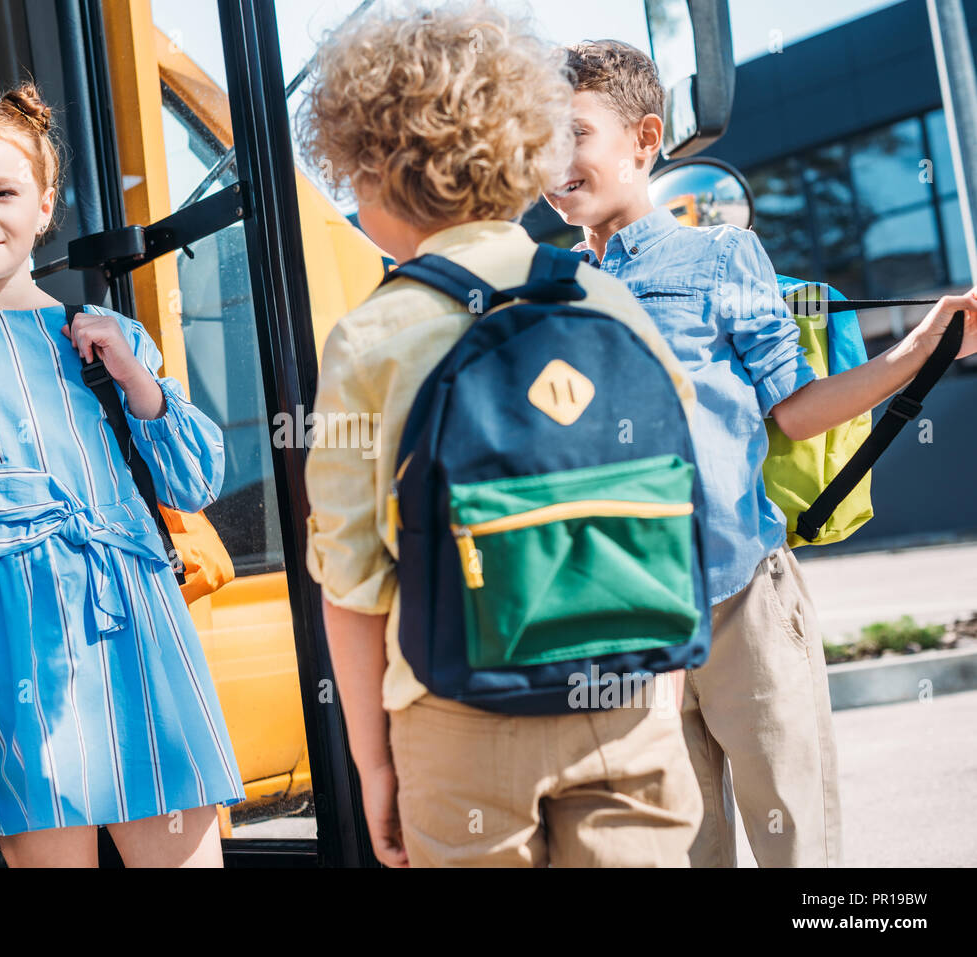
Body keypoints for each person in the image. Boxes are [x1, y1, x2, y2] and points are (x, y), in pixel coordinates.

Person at [545, 39, 977, 867]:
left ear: (644, 138)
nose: (552, 160)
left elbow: (800, 411)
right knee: (682, 853)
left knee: (796, 849)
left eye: (574, 134)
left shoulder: (720, 257)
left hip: (746, 597)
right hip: (632, 624)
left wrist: (923, 346)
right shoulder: (546, 289)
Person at [299, 4, 704, 868]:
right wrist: (661, 698)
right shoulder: (604, 300)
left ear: (370, 171)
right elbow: (676, 501)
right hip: (624, 693)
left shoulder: (371, 338)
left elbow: (352, 581)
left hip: (458, 715)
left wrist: (374, 765)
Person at [0, 81, 244, 868]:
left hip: (138, 624)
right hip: (12, 647)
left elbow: (195, 481)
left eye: (4, 192)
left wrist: (138, 377)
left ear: (45, 204)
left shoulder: (105, 336)